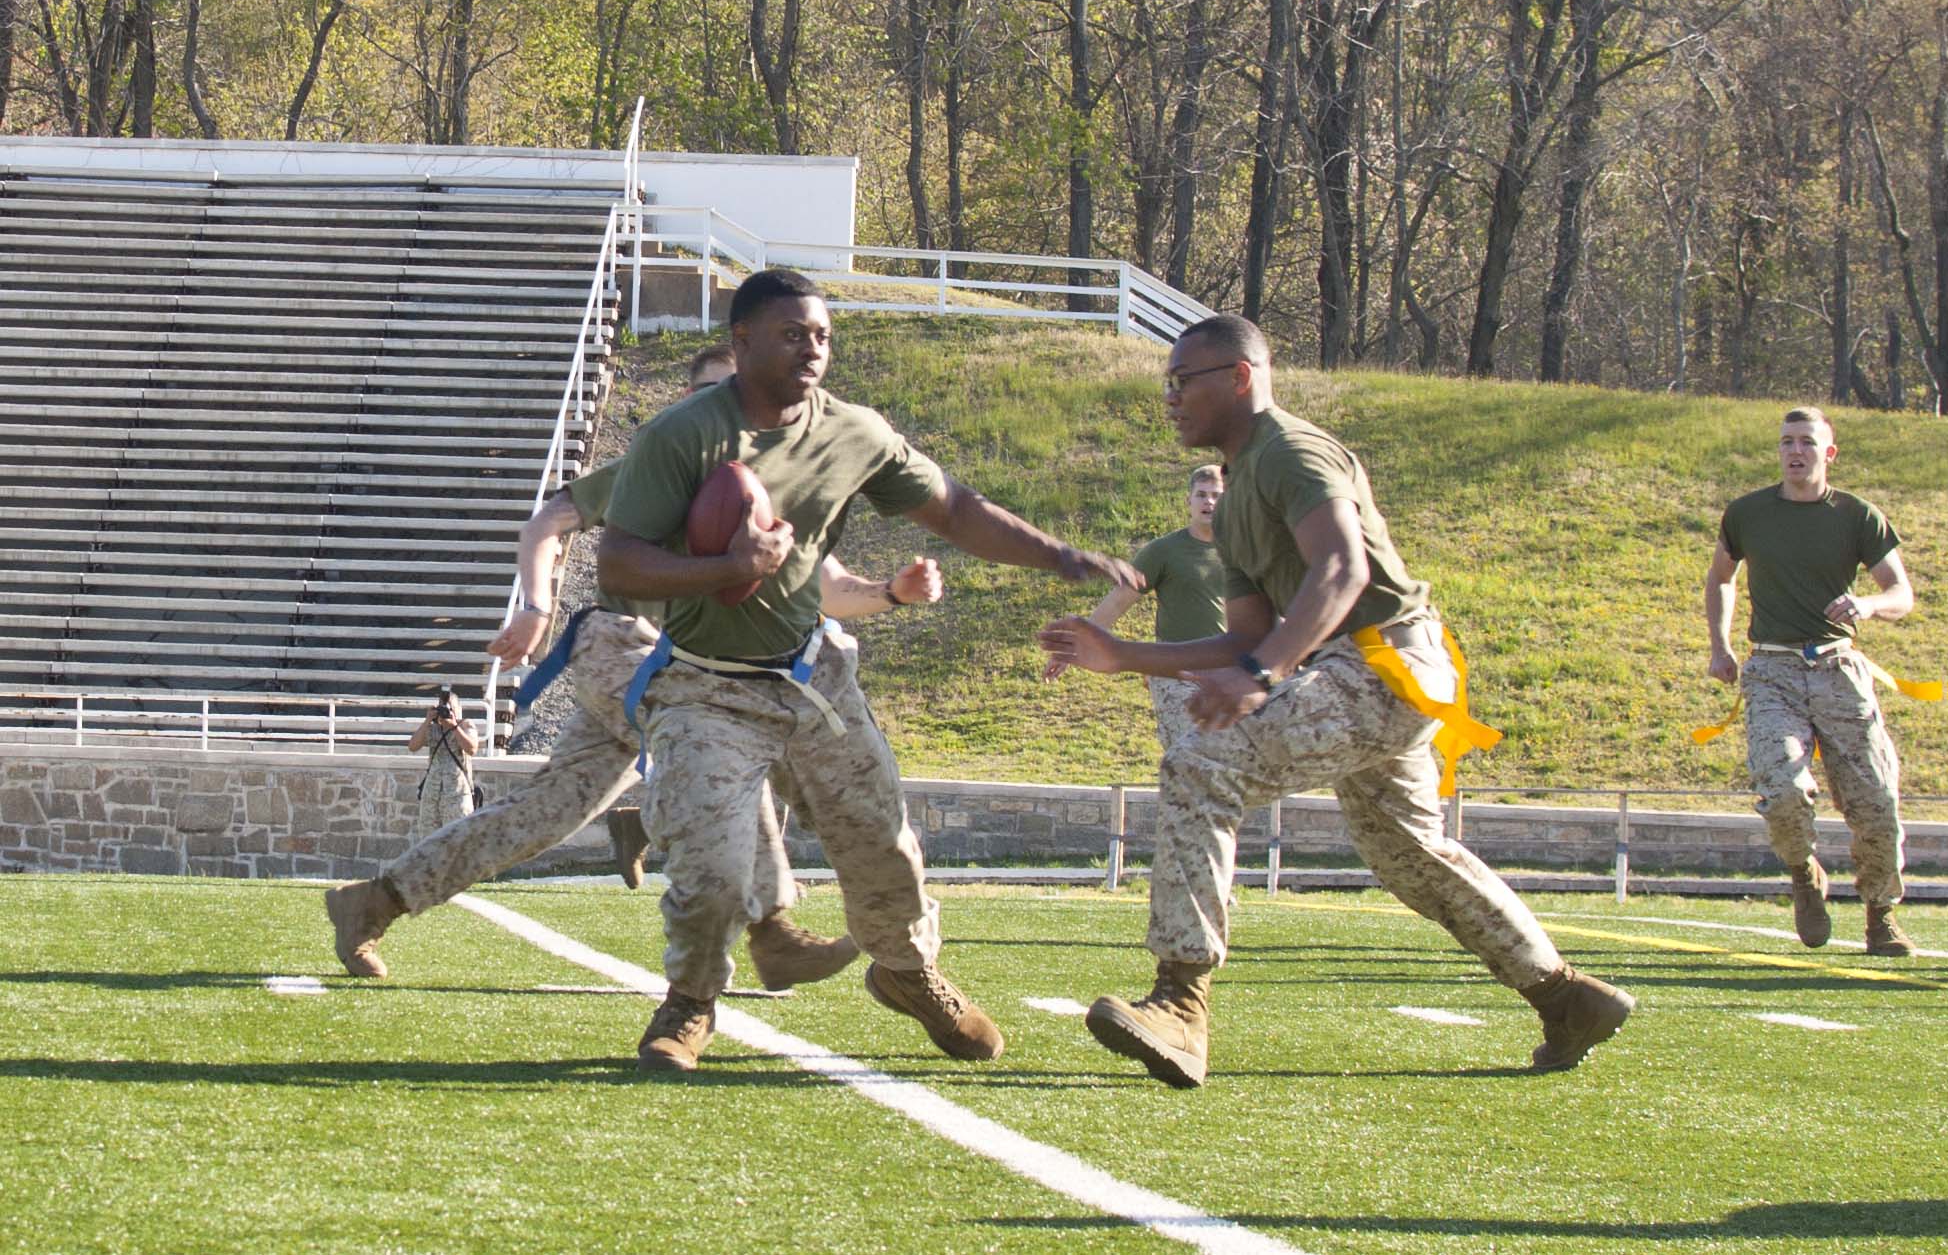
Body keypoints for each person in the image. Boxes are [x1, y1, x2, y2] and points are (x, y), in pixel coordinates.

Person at [327, 269, 1138, 1077]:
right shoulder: (680, 441)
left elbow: (943, 513)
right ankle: (696, 992)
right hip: (684, 673)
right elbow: (610, 556)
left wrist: (1051, 555)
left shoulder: (852, 436)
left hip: (809, 677)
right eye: (793, 335)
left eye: (822, 334)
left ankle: (903, 967)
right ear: (740, 345)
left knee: (880, 840)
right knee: (706, 853)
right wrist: (700, 569)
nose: (813, 349)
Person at [1038, 314, 1634, 1088]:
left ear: (1241, 377)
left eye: (1184, 380)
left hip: (1385, 663)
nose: (1170, 397)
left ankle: (1181, 1001)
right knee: (1407, 853)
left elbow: (1342, 571)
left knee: (1199, 765)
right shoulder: (1241, 493)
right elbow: (1243, 634)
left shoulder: (1291, 450)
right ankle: (1565, 998)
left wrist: (1260, 674)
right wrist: (1123, 655)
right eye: (1168, 383)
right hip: (1373, 671)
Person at [485, 343, 945, 990]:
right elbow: (547, 525)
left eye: (744, 388)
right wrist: (536, 606)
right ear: (689, 400)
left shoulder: (779, 486)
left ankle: (381, 896)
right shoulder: (655, 462)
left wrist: (891, 592)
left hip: (733, 677)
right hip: (635, 653)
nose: (736, 406)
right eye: (716, 391)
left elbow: (825, 589)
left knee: (547, 810)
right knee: (728, 745)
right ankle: (757, 933)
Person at [1704, 406, 1921, 956]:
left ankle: (1880, 914)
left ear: (1828, 452)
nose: (1793, 451)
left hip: (1838, 668)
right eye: (1785, 442)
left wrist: (1868, 605)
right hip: (1771, 670)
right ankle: (1805, 875)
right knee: (1782, 792)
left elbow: (1902, 593)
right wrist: (1721, 646)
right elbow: (1721, 577)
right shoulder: (1748, 513)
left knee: (1875, 799)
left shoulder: (1857, 516)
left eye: (1805, 442)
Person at [1044, 465, 1225, 752]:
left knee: (1232, 754)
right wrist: (1073, 646)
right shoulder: (1164, 551)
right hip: (1174, 670)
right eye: (1201, 495)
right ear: (1188, 501)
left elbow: (1270, 605)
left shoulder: (1245, 551)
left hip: (1227, 669)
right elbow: (1118, 601)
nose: (1209, 502)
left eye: (1217, 495)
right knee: (1194, 747)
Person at [405, 689, 479, 840]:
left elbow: (472, 748)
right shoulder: (432, 729)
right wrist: (427, 720)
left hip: (456, 796)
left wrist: (454, 726)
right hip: (431, 796)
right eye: (442, 707)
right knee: (429, 844)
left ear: (458, 709)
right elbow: (413, 746)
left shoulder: (466, 726)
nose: (445, 711)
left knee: (458, 843)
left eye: (449, 708)